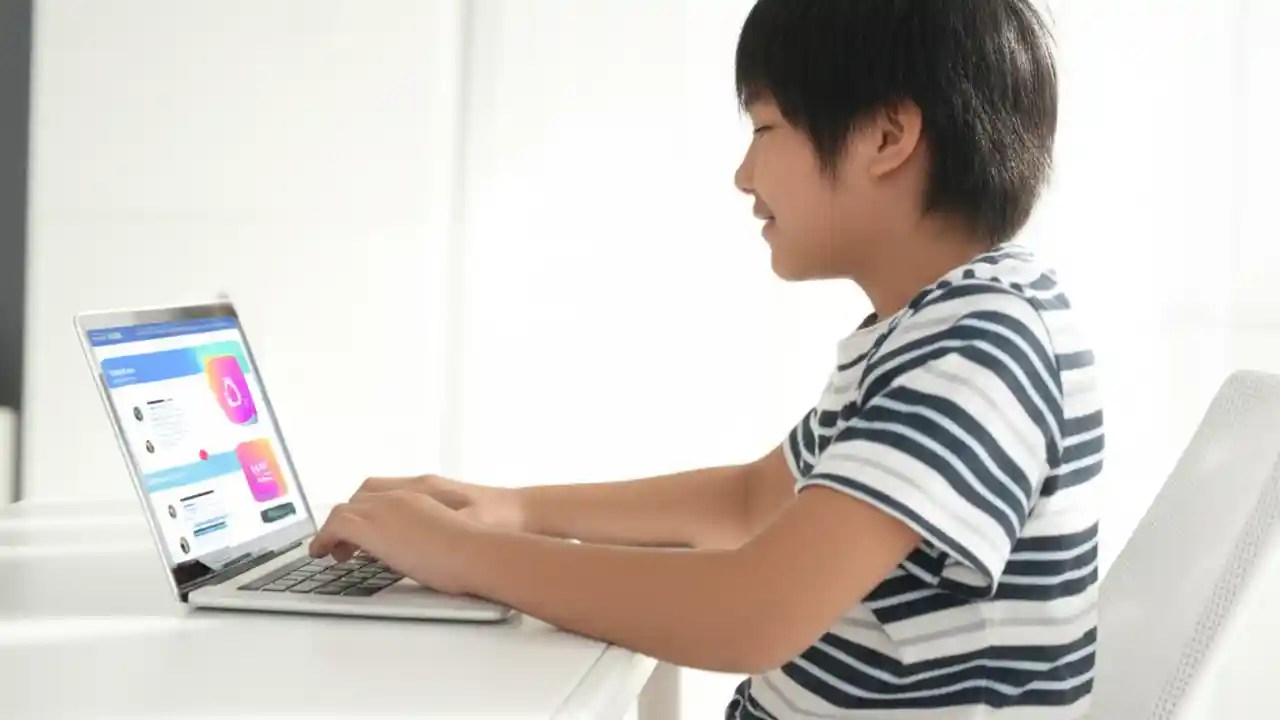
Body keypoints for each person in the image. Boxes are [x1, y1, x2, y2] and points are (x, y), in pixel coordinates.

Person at [309, 1, 1101, 717]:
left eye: (764, 129)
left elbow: (750, 615)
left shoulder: (981, 344)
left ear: (887, 137)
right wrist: (513, 509)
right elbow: (753, 500)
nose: (744, 175)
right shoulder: (939, 324)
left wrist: (465, 556)